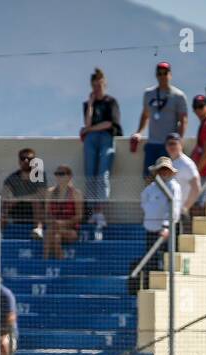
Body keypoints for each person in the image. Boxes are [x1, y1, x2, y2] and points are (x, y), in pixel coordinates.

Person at [80, 68, 121, 241]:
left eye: (100, 84)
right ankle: (91, 211)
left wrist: (89, 129)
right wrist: (90, 104)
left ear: (105, 84)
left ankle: (100, 211)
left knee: (102, 174)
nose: (97, 88)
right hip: (91, 139)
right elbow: (87, 122)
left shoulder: (111, 102)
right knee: (90, 174)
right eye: (94, 85)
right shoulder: (88, 103)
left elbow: (109, 123)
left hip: (105, 138)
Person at [130, 61, 187, 177]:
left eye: (165, 73)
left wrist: (179, 141)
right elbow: (145, 115)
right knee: (148, 176)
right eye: (159, 73)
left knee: (168, 177)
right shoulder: (149, 94)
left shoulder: (178, 96)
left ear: (170, 75)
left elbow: (183, 120)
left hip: (169, 145)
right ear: (156, 75)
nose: (162, 76)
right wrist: (139, 132)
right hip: (152, 143)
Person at [136, 156, 181, 292]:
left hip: (166, 232)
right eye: (161, 170)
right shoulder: (151, 188)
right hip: (151, 230)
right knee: (151, 261)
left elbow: (174, 209)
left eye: (166, 170)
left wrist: (166, 226)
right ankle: (151, 288)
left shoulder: (174, 187)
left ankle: (167, 290)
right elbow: (144, 201)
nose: (164, 173)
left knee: (166, 261)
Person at [2, 148, 46, 238]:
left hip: (34, 209)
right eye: (23, 158)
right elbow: (5, 194)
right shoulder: (12, 177)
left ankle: (38, 229)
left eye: (29, 159)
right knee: (6, 204)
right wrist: (12, 199)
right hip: (17, 209)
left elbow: (41, 195)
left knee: (36, 202)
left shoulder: (39, 175)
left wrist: (20, 198)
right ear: (19, 161)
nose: (26, 161)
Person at [42, 166, 83, 260]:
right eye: (57, 174)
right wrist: (53, 223)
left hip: (71, 230)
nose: (58, 176)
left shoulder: (76, 193)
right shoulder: (50, 192)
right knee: (55, 237)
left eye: (61, 174)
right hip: (53, 228)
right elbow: (46, 213)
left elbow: (79, 216)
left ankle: (49, 263)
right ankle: (46, 261)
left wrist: (63, 223)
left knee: (52, 234)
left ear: (69, 176)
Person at [163, 133, 201, 212]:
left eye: (174, 143)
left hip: (180, 212)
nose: (171, 146)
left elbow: (196, 188)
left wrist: (185, 208)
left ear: (181, 144)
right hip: (170, 211)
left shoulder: (187, 164)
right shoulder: (170, 162)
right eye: (168, 144)